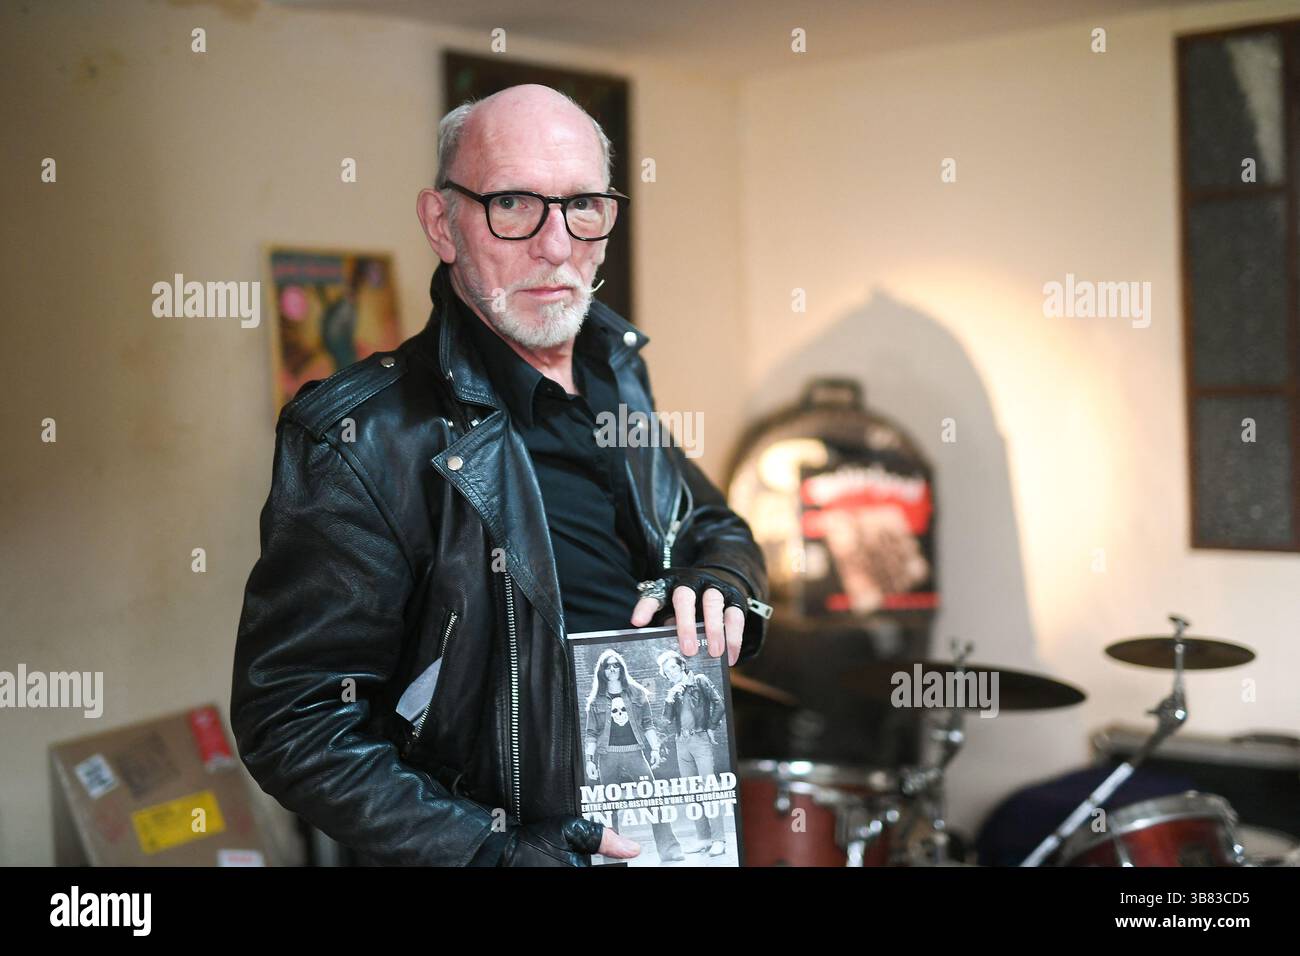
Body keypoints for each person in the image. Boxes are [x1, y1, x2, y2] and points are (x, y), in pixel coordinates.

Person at [231, 83, 770, 867]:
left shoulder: (615, 370)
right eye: (513, 203)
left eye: (582, 205)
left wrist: (722, 577)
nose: (555, 246)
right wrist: (491, 854)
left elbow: (709, 522)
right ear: (441, 223)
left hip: (668, 836)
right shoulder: (362, 436)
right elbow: (293, 723)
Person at [583, 650, 684, 862]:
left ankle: (670, 849)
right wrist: (589, 760)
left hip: (635, 754)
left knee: (654, 799)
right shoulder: (596, 700)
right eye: (608, 666)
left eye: (616, 665)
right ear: (602, 671)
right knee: (609, 807)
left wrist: (654, 749)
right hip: (607, 757)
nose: (612, 669)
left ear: (621, 668)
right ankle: (611, 857)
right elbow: (591, 732)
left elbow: (648, 723)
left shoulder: (637, 692)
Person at [657, 649, 729, 856]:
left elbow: (719, 704)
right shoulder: (673, 691)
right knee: (691, 792)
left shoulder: (700, 680)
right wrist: (669, 698)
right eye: (667, 671)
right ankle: (704, 839)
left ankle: (719, 840)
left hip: (700, 739)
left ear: (682, 666)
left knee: (709, 790)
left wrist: (711, 727)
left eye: (673, 667)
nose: (671, 672)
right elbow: (666, 721)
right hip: (682, 743)